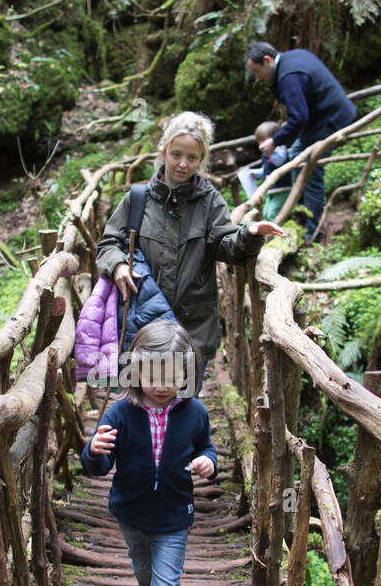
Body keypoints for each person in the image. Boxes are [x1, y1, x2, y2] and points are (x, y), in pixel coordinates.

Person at [79, 321, 216, 586]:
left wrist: (210, 461)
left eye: (172, 377)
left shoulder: (195, 413)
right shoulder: (121, 412)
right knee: (145, 577)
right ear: (136, 370)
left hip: (174, 517)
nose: (162, 385)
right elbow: (98, 465)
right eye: (153, 376)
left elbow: (206, 446)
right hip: (132, 514)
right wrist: (92, 450)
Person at [96, 111, 286, 391]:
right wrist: (118, 265)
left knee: (183, 411)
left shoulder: (209, 202)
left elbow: (227, 247)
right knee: (141, 410)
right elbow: (108, 243)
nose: (183, 164)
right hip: (144, 326)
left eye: (192, 158)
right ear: (163, 152)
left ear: (202, 159)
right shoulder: (137, 200)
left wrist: (250, 233)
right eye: (176, 155)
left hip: (192, 328)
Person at [244, 41, 357, 242]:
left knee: (309, 167)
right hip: (323, 117)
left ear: (267, 61)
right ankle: (303, 214)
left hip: (329, 120)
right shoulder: (294, 56)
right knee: (296, 156)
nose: (257, 78)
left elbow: (299, 118)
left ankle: (314, 232)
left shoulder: (288, 77)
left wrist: (275, 141)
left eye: (256, 71)